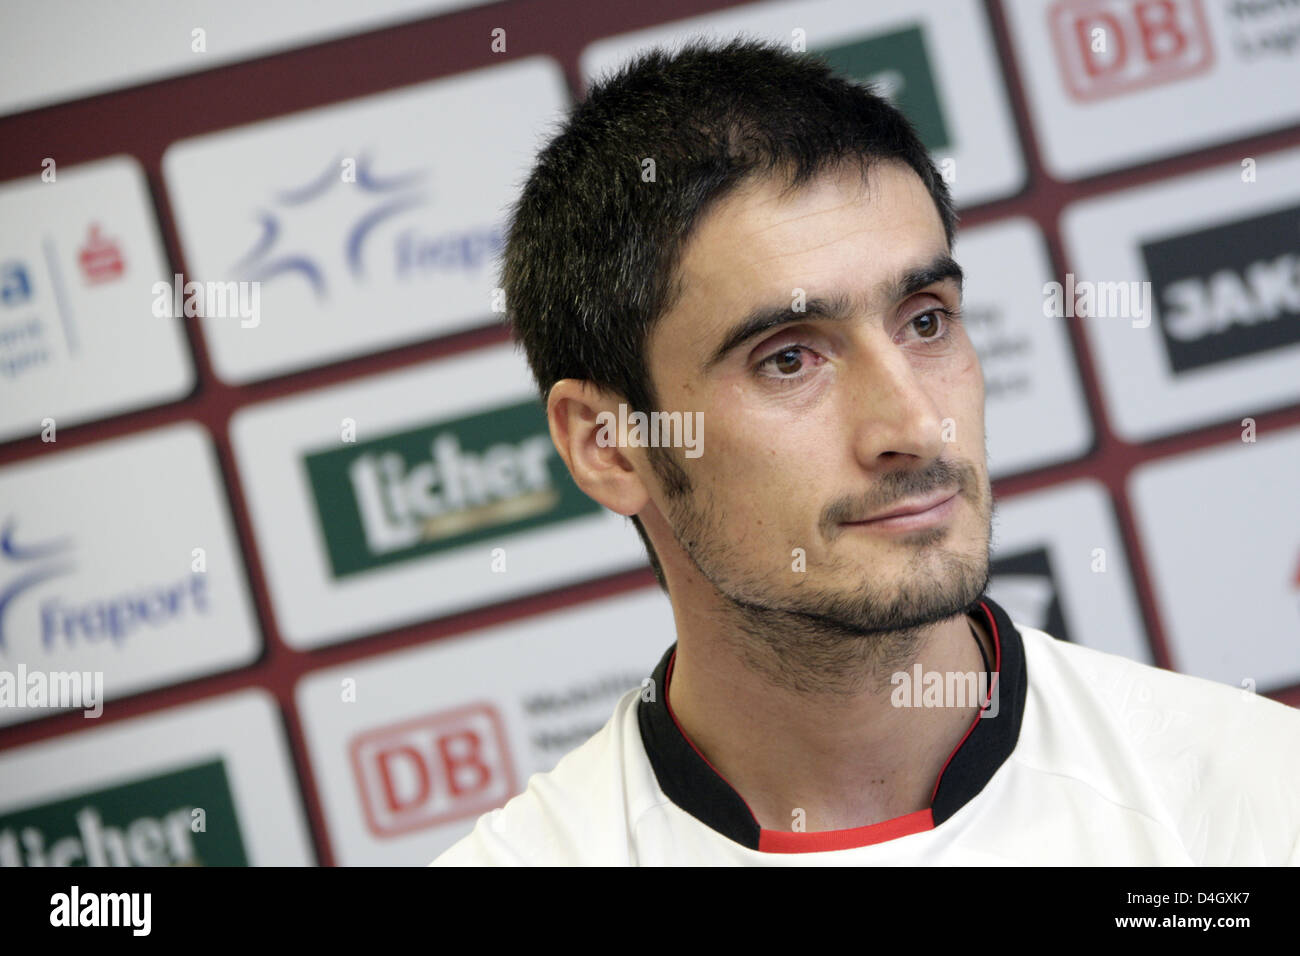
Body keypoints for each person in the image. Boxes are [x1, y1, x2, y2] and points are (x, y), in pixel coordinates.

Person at [431, 38, 1300, 865]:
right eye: (788, 359)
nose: (916, 428)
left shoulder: (1254, 804)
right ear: (609, 445)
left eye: (926, 321)